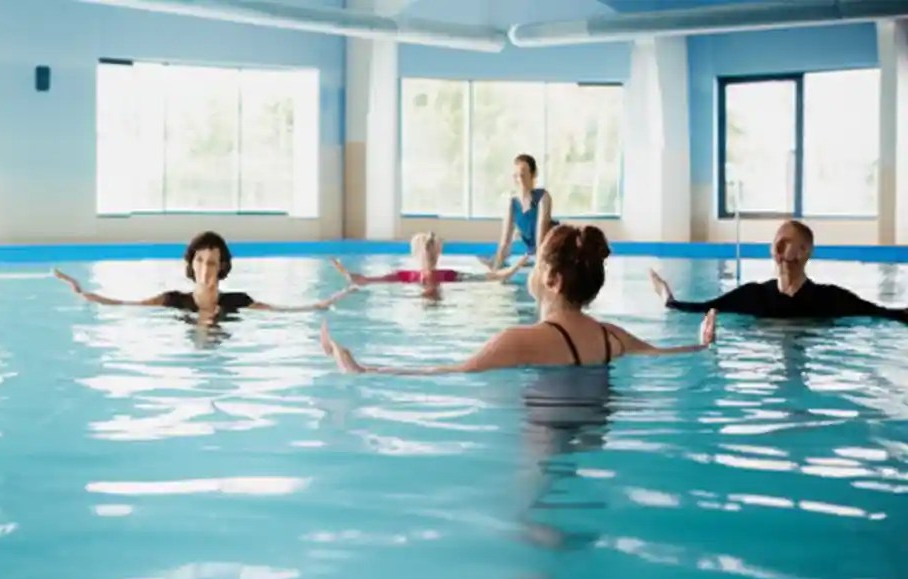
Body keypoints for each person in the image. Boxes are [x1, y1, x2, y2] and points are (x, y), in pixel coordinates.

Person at [320, 224, 716, 375]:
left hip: (546, 441)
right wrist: (702, 343)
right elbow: (667, 354)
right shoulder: (612, 336)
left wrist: (363, 370)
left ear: (552, 280)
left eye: (537, 262)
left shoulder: (519, 340)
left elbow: (452, 371)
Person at [651, 220, 907, 322]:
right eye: (776, 241)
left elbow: (884, 314)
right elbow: (701, 308)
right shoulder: (753, 296)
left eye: (785, 241)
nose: (777, 246)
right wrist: (668, 299)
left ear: (804, 251)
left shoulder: (829, 298)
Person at [54, 231, 358, 316]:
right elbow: (124, 304)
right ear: (191, 264)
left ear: (222, 267)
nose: (205, 268)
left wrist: (333, 298)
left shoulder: (238, 301)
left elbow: (286, 311)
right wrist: (82, 292)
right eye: (200, 261)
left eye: (212, 262)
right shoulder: (172, 300)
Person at [330, 231, 528, 287]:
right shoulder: (408, 276)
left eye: (431, 253)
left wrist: (516, 266)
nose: (429, 258)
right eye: (427, 253)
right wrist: (351, 276)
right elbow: (368, 280)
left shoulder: (446, 276)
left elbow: (490, 277)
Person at [491, 154, 555, 271]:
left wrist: (539, 269)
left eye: (523, 175)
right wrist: (496, 269)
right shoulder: (512, 203)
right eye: (516, 176)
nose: (520, 179)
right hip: (532, 253)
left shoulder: (543, 197)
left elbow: (540, 237)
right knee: (496, 265)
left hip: (551, 249)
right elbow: (505, 242)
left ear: (533, 174)